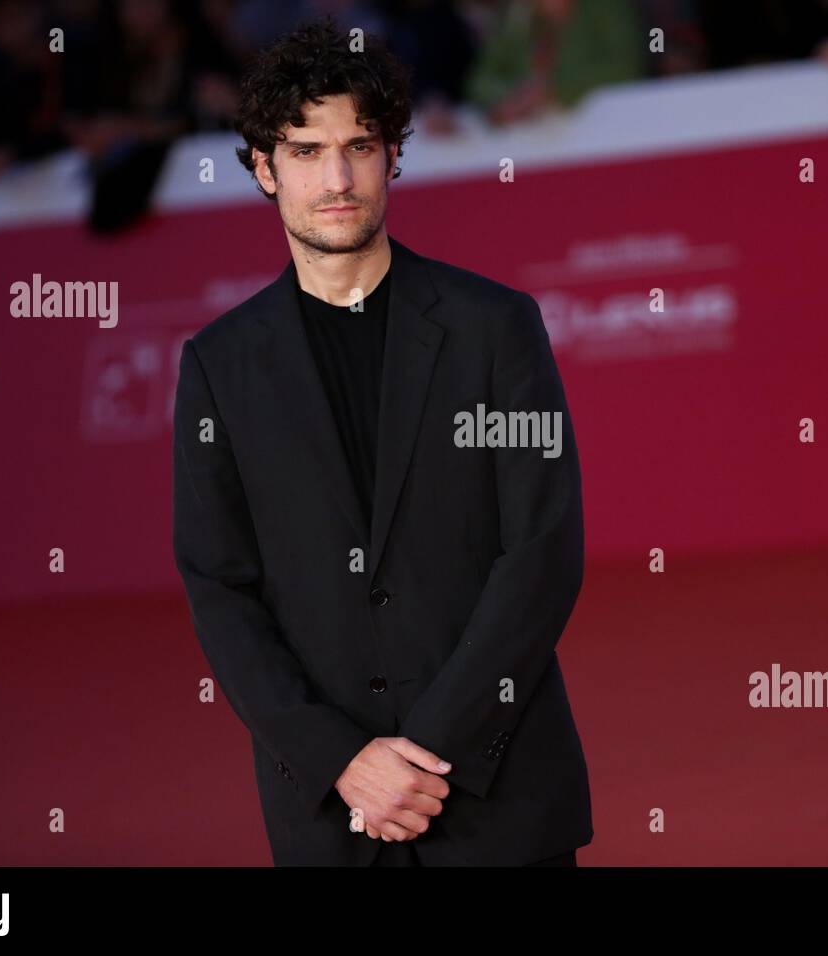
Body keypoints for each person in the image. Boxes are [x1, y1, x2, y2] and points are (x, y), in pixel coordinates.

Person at [171, 15, 592, 866]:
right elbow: (221, 588)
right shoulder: (220, 366)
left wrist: (424, 753)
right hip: (333, 820)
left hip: (500, 800)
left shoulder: (497, 329)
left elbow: (542, 552)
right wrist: (343, 763)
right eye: (303, 150)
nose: (336, 177)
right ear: (262, 168)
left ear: (394, 155)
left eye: (360, 145)